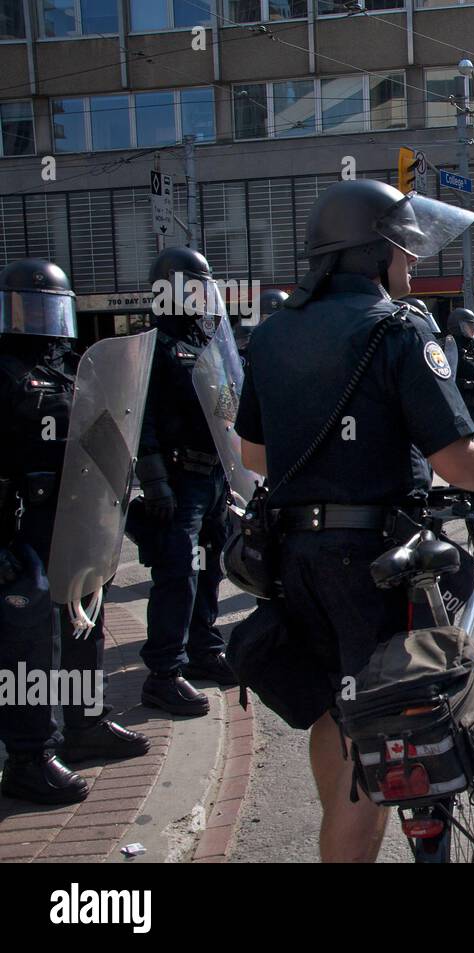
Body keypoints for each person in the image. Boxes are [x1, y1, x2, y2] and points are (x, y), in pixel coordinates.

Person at [233, 178, 474, 862]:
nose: (412, 264)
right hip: (380, 566)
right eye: (404, 250)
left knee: (342, 709)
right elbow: (459, 461)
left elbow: (252, 451)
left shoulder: (272, 335)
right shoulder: (399, 327)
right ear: (371, 253)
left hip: (294, 563)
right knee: (421, 705)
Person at [0, 259, 152, 805]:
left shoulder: (69, 367)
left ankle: (85, 725)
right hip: (19, 526)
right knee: (27, 642)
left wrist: (130, 482)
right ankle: (28, 756)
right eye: (28, 305)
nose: (40, 317)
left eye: (49, 305)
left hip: (75, 521)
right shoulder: (3, 372)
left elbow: (102, 434)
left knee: (83, 624)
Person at [135, 247, 238, 717]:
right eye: (191, 286)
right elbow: (141, 418)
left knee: (212, 566)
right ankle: (164, 672)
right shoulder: (150, 345)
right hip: (179, 479)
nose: (200, 295)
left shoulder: (209, 338)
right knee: (178, 573)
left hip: (214, 473)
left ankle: (204, 649)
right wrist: (154, 481)